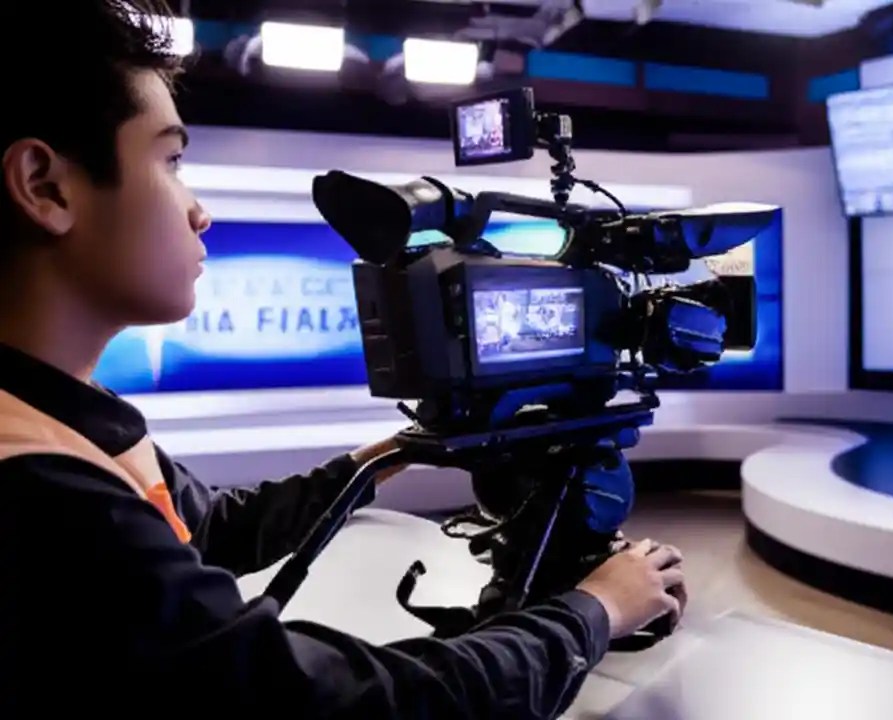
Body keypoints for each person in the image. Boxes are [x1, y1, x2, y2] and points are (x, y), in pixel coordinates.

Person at [0, 2, 686, 717]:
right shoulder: (45, 499)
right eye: (170, 160)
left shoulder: (60, 419)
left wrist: (383, 455)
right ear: (45, 187)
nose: (198, 210)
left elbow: (209, 531)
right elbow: (357, 706)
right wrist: (596, 610)